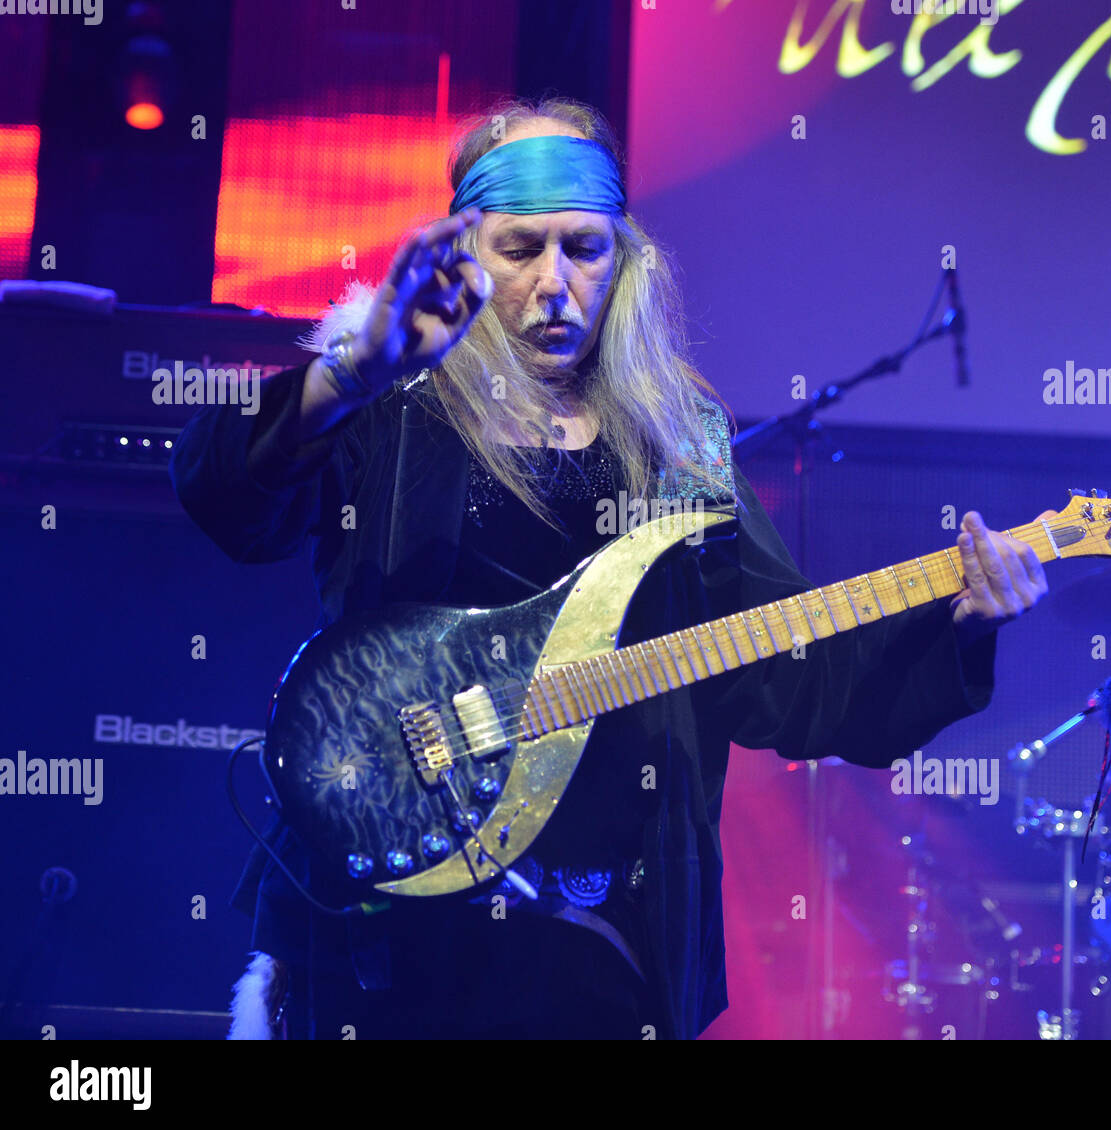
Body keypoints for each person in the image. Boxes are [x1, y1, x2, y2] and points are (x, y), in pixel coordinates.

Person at [172, 96, 1049, 1041]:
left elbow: (787, 682)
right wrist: (351, 373)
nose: (556, 284)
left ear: (623, 260)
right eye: (520, 249)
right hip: (386, 931)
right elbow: (229, 506)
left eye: (585, 249)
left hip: (599, 943)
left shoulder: (678, 446)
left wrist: (958, 623)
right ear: (466, 256)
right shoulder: (393, 408)